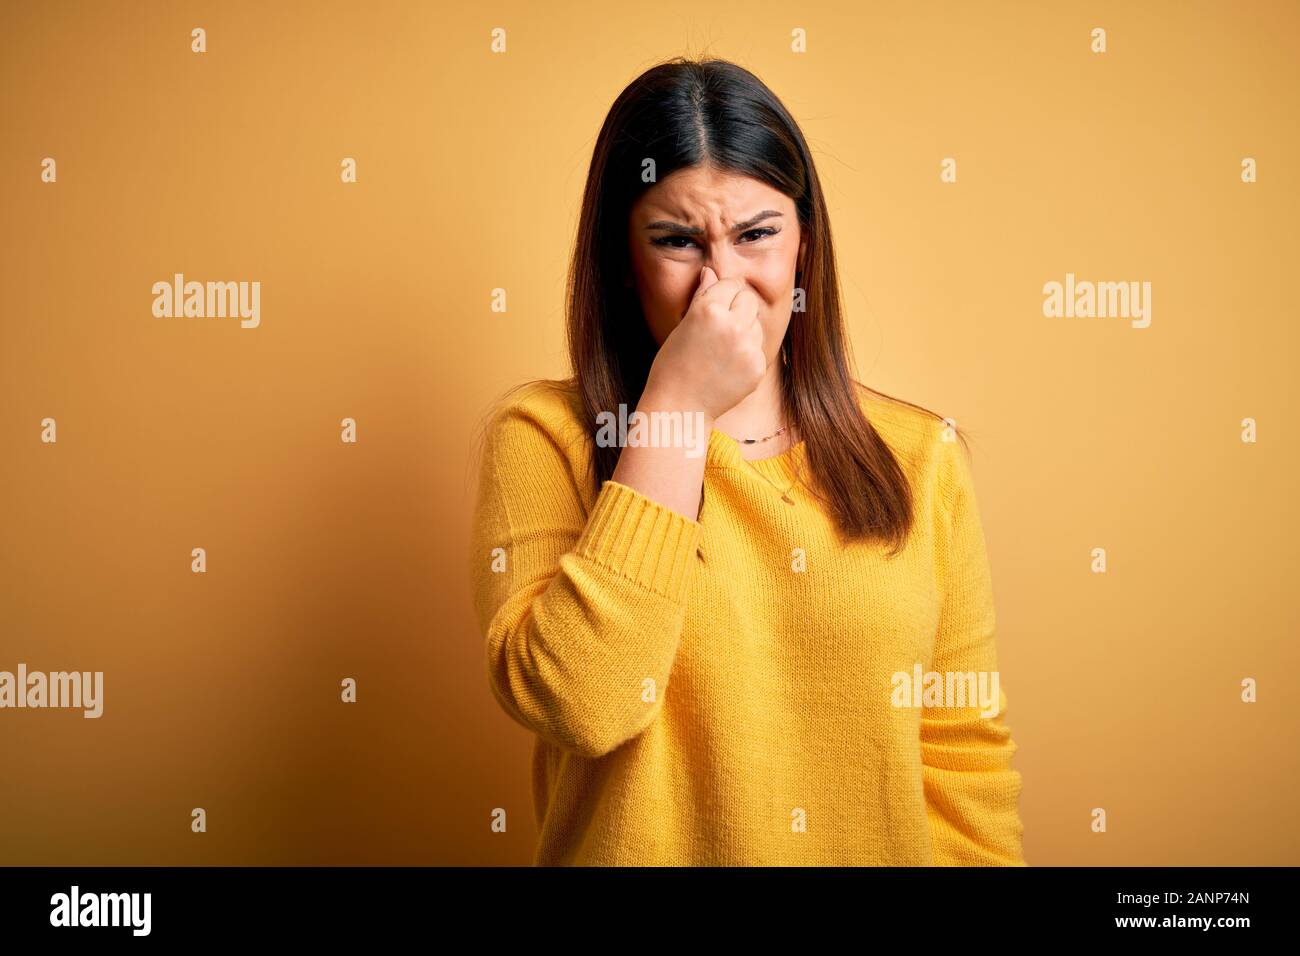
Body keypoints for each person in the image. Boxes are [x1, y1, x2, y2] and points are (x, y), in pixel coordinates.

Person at [468, 56, 1026, 866]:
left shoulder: (920, 458)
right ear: (624, 260)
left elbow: (962, 758)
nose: (720, 282)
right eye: (677, 241)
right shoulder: (542, 435)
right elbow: (583, 702)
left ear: (805, 245)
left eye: (757, 234)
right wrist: (675, 408)